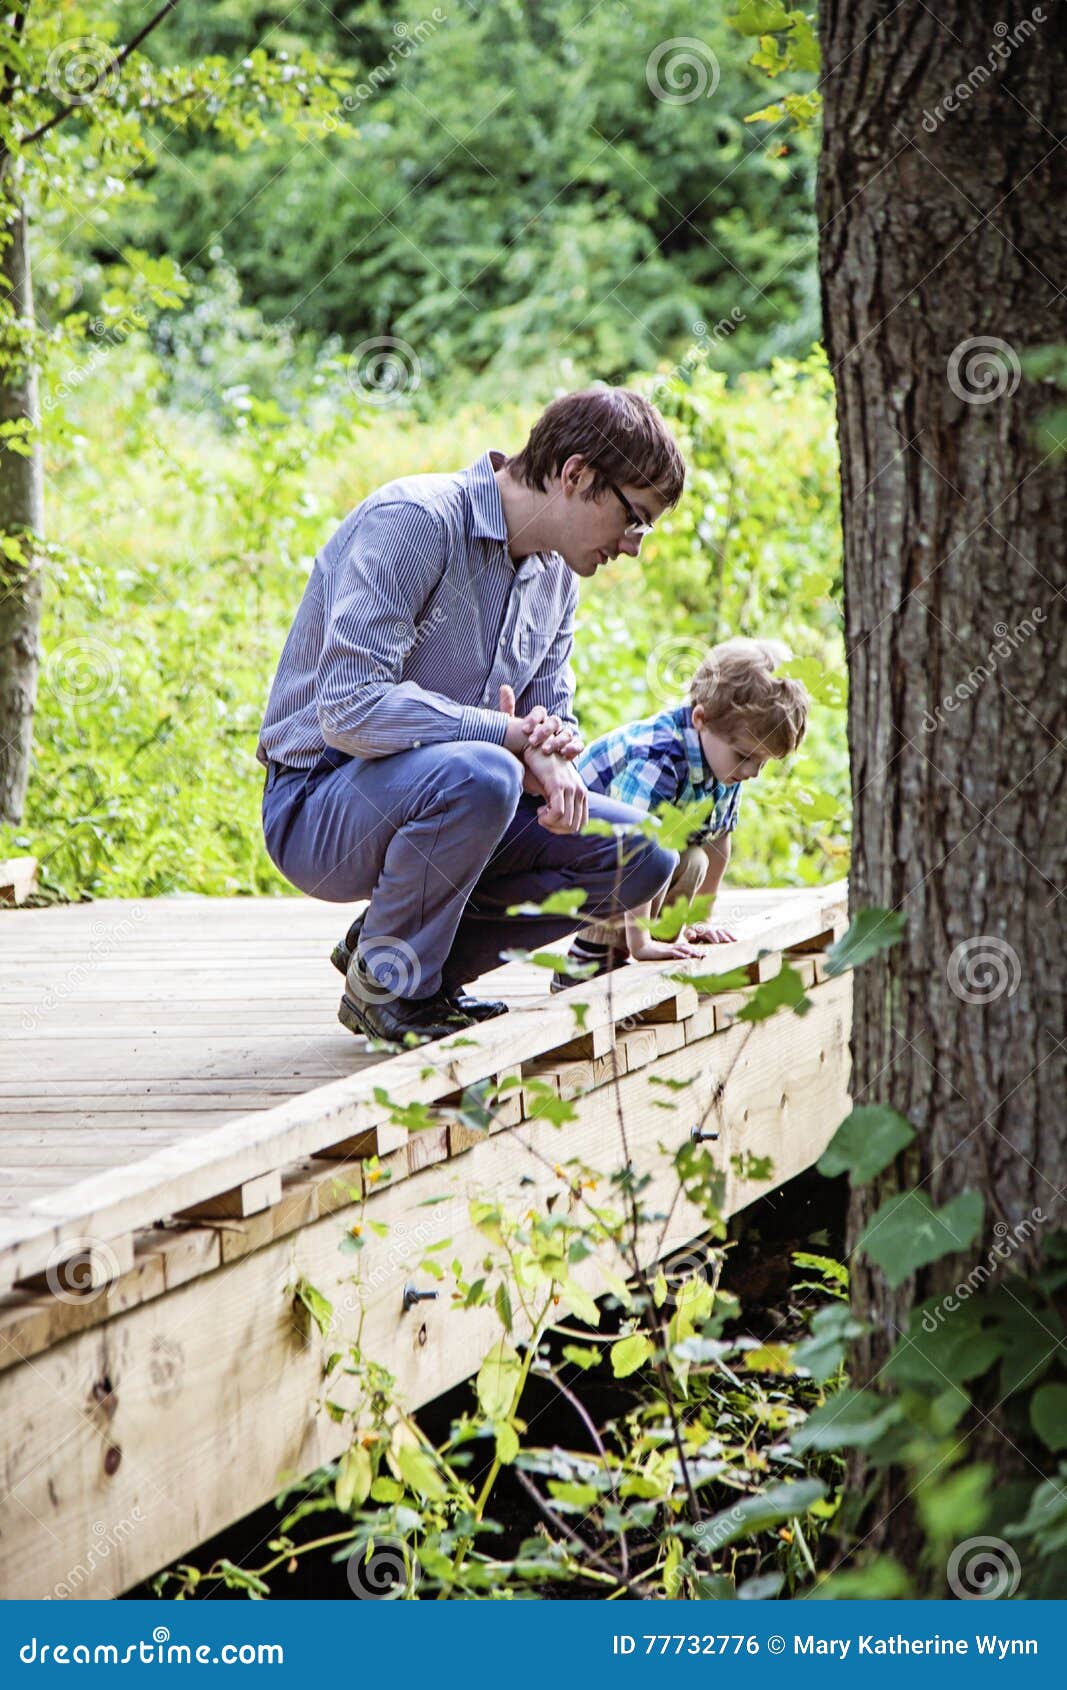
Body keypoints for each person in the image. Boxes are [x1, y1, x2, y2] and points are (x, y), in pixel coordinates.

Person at [257, 387, 686, 1044]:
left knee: (642, 856)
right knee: (483, 771)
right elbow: (348, 708)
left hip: (463, 800)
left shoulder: (557, 577)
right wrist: (503, 736)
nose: (632, 546)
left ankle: (391, 954)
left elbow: (547, 712)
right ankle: (387, 991)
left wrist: (545, 752)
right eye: (635, 518)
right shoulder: (416, 520)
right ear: (576, 475)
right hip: (319, 806)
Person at [554, 638, 809, 987]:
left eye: (763, 762)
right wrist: (638, 944)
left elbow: (719, 845)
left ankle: (660, 954)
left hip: (639, 857)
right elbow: (631, 849)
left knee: (694, 861)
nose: (752, 773)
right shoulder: (658, 757)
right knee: (665, 856)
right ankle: (589, 959)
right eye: (745, 757)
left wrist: (699, 918)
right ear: (701, 719)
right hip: (576, 851)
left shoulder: (725, 765)